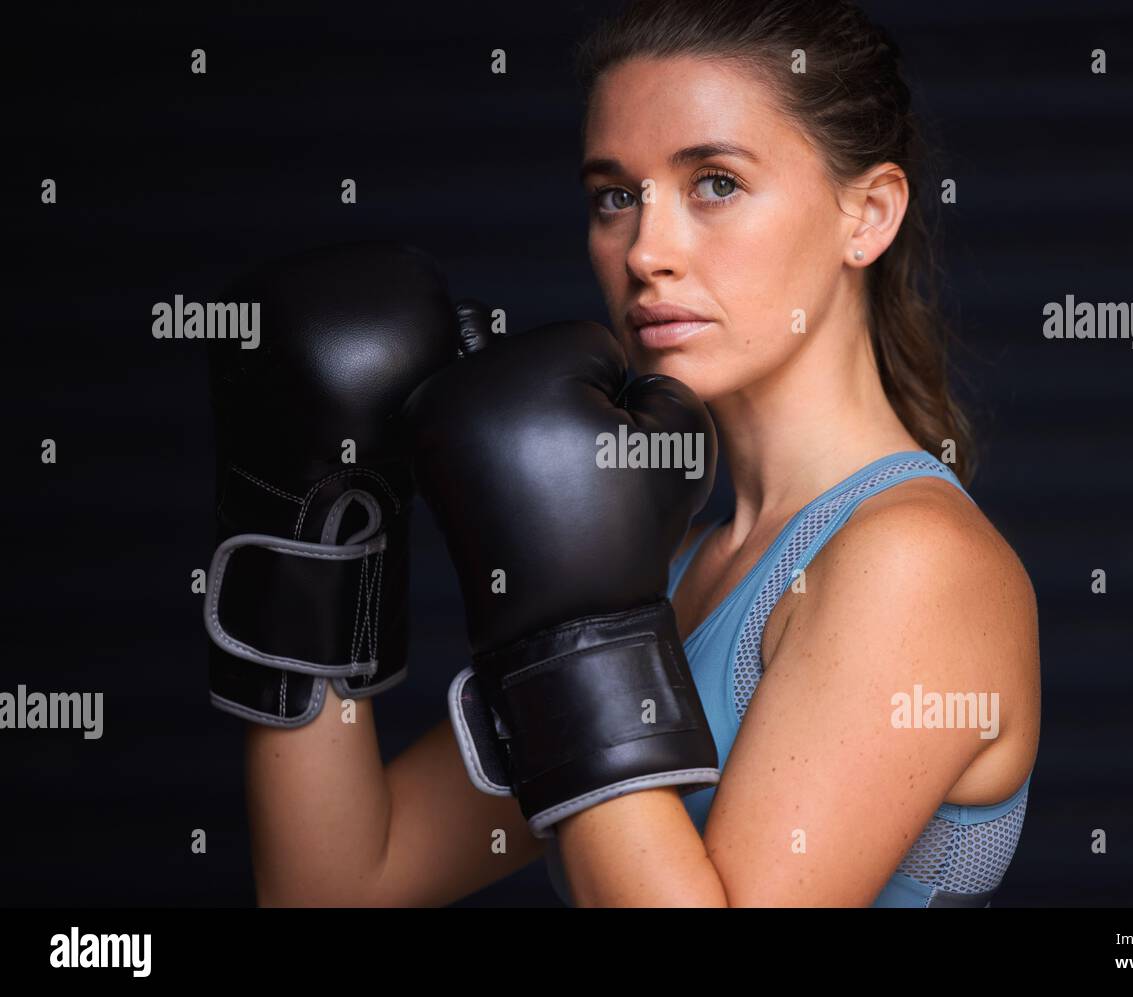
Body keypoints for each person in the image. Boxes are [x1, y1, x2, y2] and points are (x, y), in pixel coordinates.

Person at [228, 0, 1041, 908]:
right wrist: (321, 536)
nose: (647, 251)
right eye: (616, 196)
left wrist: (570, 633)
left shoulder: (913, 563)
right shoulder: (668, 562)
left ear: (870, 214)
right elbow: (336, 884)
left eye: (716, 182)